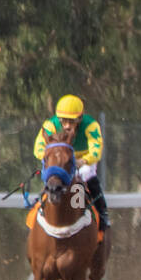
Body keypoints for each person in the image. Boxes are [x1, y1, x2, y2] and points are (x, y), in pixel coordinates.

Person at [33, 94, 109, 230]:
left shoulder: (91, 125)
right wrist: (50, 159)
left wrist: (83, 160)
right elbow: (38, 147)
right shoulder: (50, 125)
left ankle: (102, 212)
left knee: (85, 174)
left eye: (71, 121)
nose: (67, 126)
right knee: (51, 175)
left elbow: (96, 151)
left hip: (83, 160)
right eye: (64, 121)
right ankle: (37, 209)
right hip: (60, 161)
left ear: (80, 119)